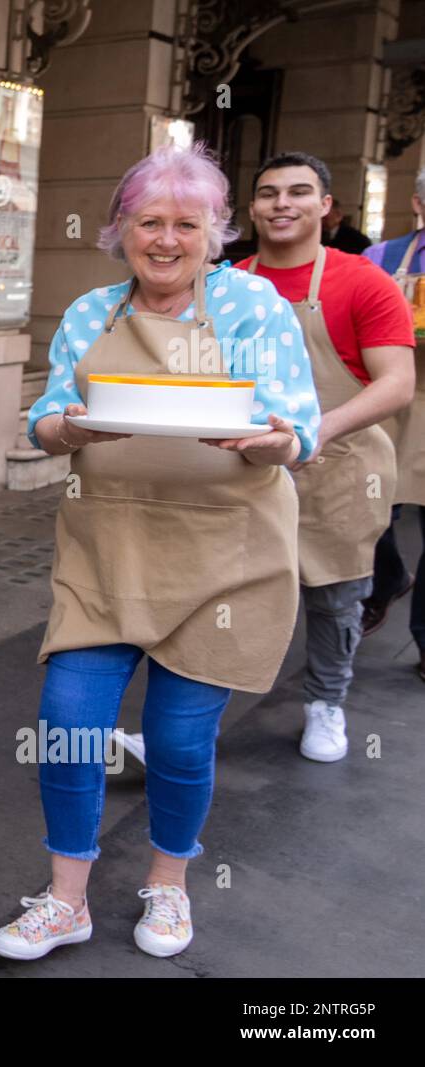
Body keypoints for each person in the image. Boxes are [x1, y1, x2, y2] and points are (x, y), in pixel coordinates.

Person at [0, 143, 318, 961]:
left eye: (186, 223)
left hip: (223, 561)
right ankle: (66, 899)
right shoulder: (89, 314)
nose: (166, 239)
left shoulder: (257, 308)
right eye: (149, 222)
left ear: (215, 233)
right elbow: (44, 419)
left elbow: (298, 431)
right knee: (68, 724)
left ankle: (168, 884)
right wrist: (68, 427)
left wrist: (267, 442)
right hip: (107, 554)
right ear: (120, 231)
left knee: (178, 741)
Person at [239, 152, 415, 760]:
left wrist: (314, 433)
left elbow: (395, 384)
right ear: (253, 208)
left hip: (340, 468)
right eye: (267, 193)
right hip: (246, 468)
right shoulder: (230, 283)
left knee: (336, 597)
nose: (281, 203)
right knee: (226, 592)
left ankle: (326, 703)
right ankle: (194, 712)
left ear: (324, 206)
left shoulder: (362, 281)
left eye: (297, 192)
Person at [360, 169, 425, 681]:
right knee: (369, 507)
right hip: (390, 401)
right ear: (418, 202)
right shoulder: (381, 259)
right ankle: (388, 578)